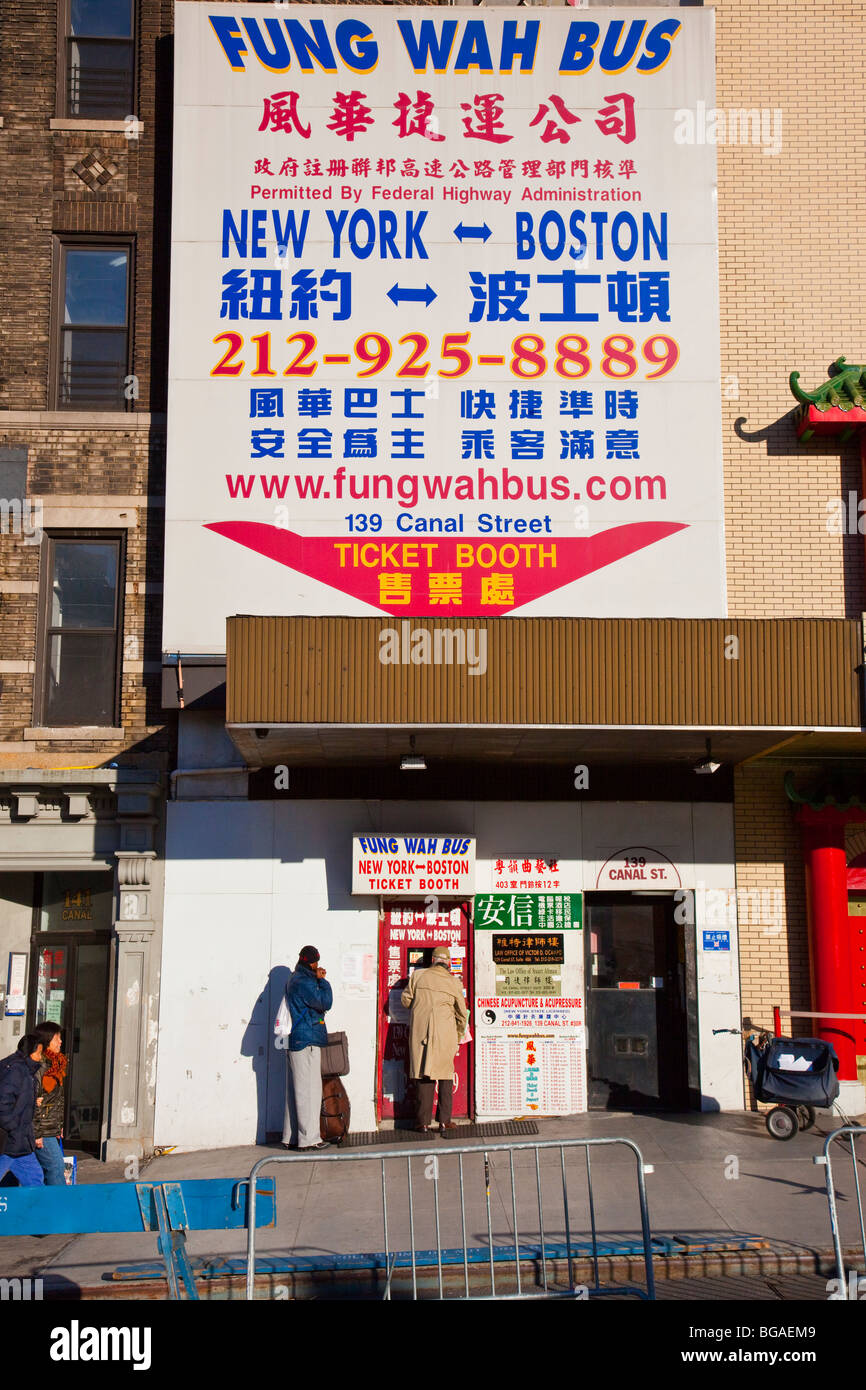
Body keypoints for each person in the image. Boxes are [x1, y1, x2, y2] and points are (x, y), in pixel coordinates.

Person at [401, 945, 468, 1135]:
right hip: (445, 1034)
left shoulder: (418, 976)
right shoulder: (454, 982)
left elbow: (405, 1001)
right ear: (448, 964)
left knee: (425, 1075)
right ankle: (444, 1121)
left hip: (421, 1034)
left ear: (432, 960)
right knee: (446, 1075)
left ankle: (422, 1123)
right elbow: (462, 1013)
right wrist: (458, 1034)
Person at [282, 945, 333, 1151]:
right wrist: (324, 981)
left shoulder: (294, 978)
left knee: (296, 1090)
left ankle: (290, 1136)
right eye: (315, 962)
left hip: (297, 1039)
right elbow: (325, 1002)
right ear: (309, 962)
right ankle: (309, 1139)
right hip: (307, 1039)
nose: (317, 965)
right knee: (308, 1091)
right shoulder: (305, 981)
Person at [0, 1034, 46, 1187]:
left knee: (35, 1179)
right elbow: (3, 1102)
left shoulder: (26, 1071)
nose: (40, 1057)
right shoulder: (15, 1070)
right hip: (8, 1141)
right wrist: (12, 1127)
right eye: (39, 1053)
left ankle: (35, 1210)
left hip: (19, 1142)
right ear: (29, 1052)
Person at [33, 1021, 67, 1186]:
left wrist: (58, 1125)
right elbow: (34, 1101)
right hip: (41, 1130)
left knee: (34, 1172)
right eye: (57, 1038)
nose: (60, 1041)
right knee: (55, 1166)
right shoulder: (40, 1067)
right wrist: (37, 1132)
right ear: (47, 1040)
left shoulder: (56, 1064)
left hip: (49, 1127)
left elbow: (55, 1101)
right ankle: (58, 1206)